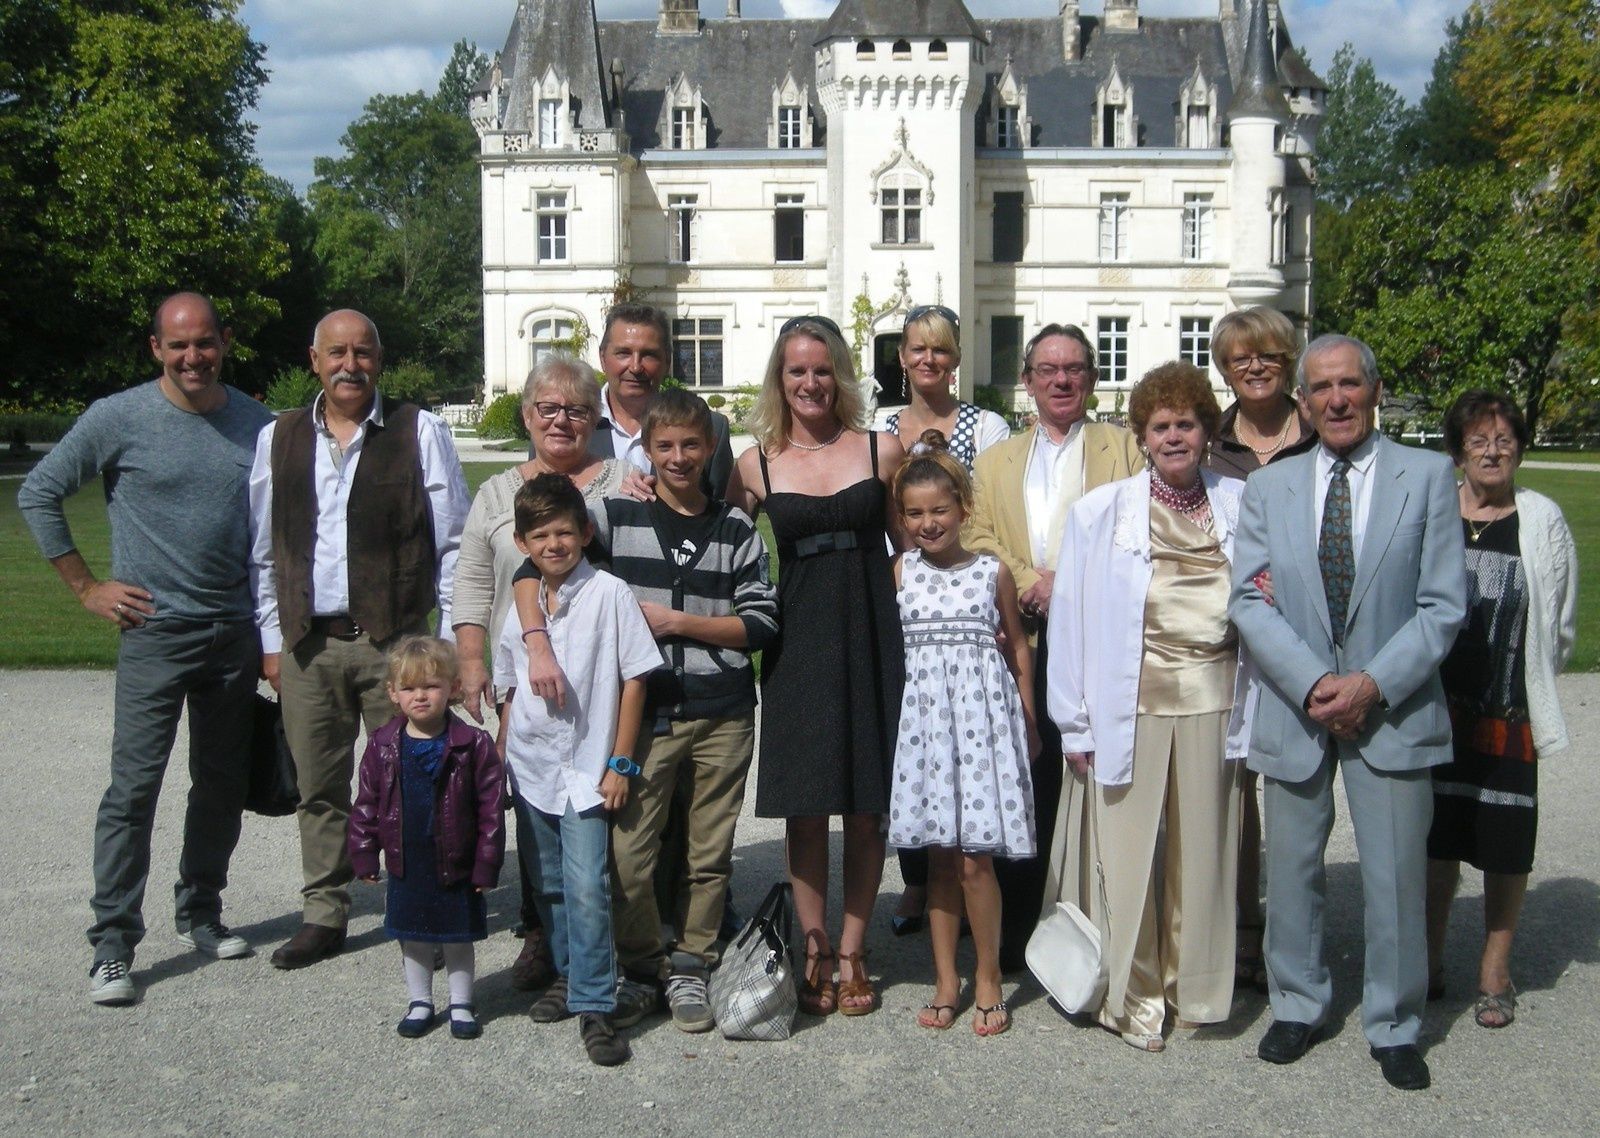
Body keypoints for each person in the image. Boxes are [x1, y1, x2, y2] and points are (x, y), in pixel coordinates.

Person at [18, 292, 274, 1005]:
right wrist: (84, 587)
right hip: (154, 632)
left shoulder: (257, 426)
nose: (193, 357)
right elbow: (39, 493)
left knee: (222, 785)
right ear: (156, 348)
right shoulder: (119, 417)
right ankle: (111, 943)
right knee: (133, 789)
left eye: (205, 343)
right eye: (178, 344)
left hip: (233, 631)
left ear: (225, 342)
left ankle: (201, 909)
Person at [1230, 333, 1466, 1091]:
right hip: (1300, 710)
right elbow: (1248, 599)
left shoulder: (1427, 476)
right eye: (1321, 388)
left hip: (1391, 708)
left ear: (1374, 389)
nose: (1336, 400)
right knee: (1294, 870)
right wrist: (1310, 685)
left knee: (1395, 872)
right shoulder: (1271, 488)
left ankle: (1394, 1022)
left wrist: (1369, 684)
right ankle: (1297, 1005)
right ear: (1302, 401)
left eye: (1349, 385)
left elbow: (1441, 606)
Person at [248, 309, 470, 970]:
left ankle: (421, 904)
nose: (350, 364)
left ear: (380, 358)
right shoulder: (278, 437)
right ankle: (325, 912)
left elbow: (453, 544)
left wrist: (449, 646)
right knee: (319, 787)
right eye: (337, 352)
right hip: (306, 643)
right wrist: (269, 639)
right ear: (314, 358)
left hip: (395, 645)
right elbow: (264, 551)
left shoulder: (418, 430)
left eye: (363, 352)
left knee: (411, 782)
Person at [555, 388, 779, 1033]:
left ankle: (693, 960)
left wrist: (677, 622)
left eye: (690, 445)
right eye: (664, 446)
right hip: (644, 714)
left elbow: (761, 622)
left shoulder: (735, 527)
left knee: (709, 853)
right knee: (631, 851)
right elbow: (546, 556)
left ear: (710, 449)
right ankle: (642, 963)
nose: (678, 457)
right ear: (645, 452)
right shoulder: (618, 516)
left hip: (722, 710)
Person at [1048, 362, 1254, 1051]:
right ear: (1141, 434)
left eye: (1186, 424)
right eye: (1160, 425)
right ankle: (1132, 998)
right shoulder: (1101, 513)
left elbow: (1264, 598)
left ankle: (1193, 988)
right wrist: (1073, 720)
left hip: (1215, 702)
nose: (1174, 436)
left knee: (1204, 854)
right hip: (1126, 705)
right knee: (1129, 857)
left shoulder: (1240, 504)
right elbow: (1070, 619)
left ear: (1206, 430)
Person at [726, 315, 907, 1016]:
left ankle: (854, 947)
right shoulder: (755, 463)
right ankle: (812, 945)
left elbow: (908, 550)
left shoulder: (878, 449)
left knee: (866, 806)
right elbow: (717, 540)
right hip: (797, 636)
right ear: (780, 378)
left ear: (841, 375)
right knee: (804, 807)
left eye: (822, 369)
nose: (810, 382)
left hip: (871, 631)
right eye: (797, 370)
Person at [965, 323, 1143, 971]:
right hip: (1023, 640)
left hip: (1101, 641)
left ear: (1092, 379)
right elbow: (977, 533)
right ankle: (1018, 931)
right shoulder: (995, 461)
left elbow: (1140, 527)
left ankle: (1104, 925)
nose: (1061, 380)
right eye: (1048, 370)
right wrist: (1030, 581)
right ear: (1029, 381)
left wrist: (1070, 583)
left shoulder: (1126, 451)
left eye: (1074, 369)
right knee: (1025, 782)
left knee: (1098, 779)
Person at [451, 355, 625, 990]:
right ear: (526, 415)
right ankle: (539, 937)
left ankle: (606, 942)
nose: (560, 420)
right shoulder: (498, 493)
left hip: (599, 682)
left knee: (599, 814)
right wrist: (472, 662)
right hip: (523, 681)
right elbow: (471, 579)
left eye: (575, 409)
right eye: (547, 408)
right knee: (534, 810)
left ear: (595, 418)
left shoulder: (624, 483)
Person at [494, 474, 662, 1065]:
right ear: (523, 542)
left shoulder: (609, 594)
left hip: (588, 768)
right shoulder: (522, 606)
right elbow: (510, 683)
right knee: (548, 883)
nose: (554, 544)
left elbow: (636, 676)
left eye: (565, 532)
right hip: (532, 763)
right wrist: (502, 748)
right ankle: (567, 974)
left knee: (589, 885)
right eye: (540, 536)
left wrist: (620, 761)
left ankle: (595, 1005)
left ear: (585, 533)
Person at [1424, 390, 1579, 1030]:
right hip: (1437, 710)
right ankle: (1428, 960)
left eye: (1505, 440)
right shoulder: (1437, 512)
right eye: (1479, 442)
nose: (1493, 452)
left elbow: (1560, 626)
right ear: (1459, 452)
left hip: (1508, 712)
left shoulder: (1540, 519)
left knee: (1506, 844)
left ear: (1519, 447)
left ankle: (1494, 969)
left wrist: (1528, 681)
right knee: (1436, 842)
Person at [888, 432, 1038, 1037]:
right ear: (903, 518)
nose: (929, 523)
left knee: (978, 861)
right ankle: (945, 978)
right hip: (928, 729)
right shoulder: (901, 573)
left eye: (940, 510)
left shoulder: (990, 572)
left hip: (981, 725)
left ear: (963, 509)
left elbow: (1018, 644)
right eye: (916, 513)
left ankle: (990, 976)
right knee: (941, 860)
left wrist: (1028, 719)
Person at [883, 304, 1011, 936]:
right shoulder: (882, 424)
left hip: (963, 580)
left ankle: (971, 873)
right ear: (901, 357)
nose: (927, 359)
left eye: (939, 350)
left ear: (956, 359)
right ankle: (917, 875)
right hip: (907, 586)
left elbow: (983, 511)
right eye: (916, 349)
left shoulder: (984, 425)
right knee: (917, 731)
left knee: (964, 732)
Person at [1202, 306, 1317, 992]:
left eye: (1268, 354)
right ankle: (1245, 926)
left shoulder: (1321, 437)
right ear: (1224, 368)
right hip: (1226, 639)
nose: (1254, 366)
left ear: (1289, 359)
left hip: (1310, 633)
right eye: (1240, 357)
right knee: (1236, 791)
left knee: (1300, 788)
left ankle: (1299, 932)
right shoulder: (1212, 442)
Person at [348, 637, 505, 1040]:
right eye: (410, 687)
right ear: (393, 693)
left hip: (457, 860)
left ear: (453, 688)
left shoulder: (473, 745)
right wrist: (364, 856)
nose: (420, 696)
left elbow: (490, 811)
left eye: (432, 686)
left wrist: (487, 864)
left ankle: (461, 1002)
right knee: (412, 935)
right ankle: (420, 1001)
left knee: (457, 937)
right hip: (407, 859)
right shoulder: (383, 745)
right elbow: (366, 803)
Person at [589, 303, 734, 495]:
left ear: (667, 361)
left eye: (648, 355)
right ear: (602, 358)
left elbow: (720, 514)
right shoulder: (571, 427)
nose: (635, 367)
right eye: (623, 353)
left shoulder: (711, 428)